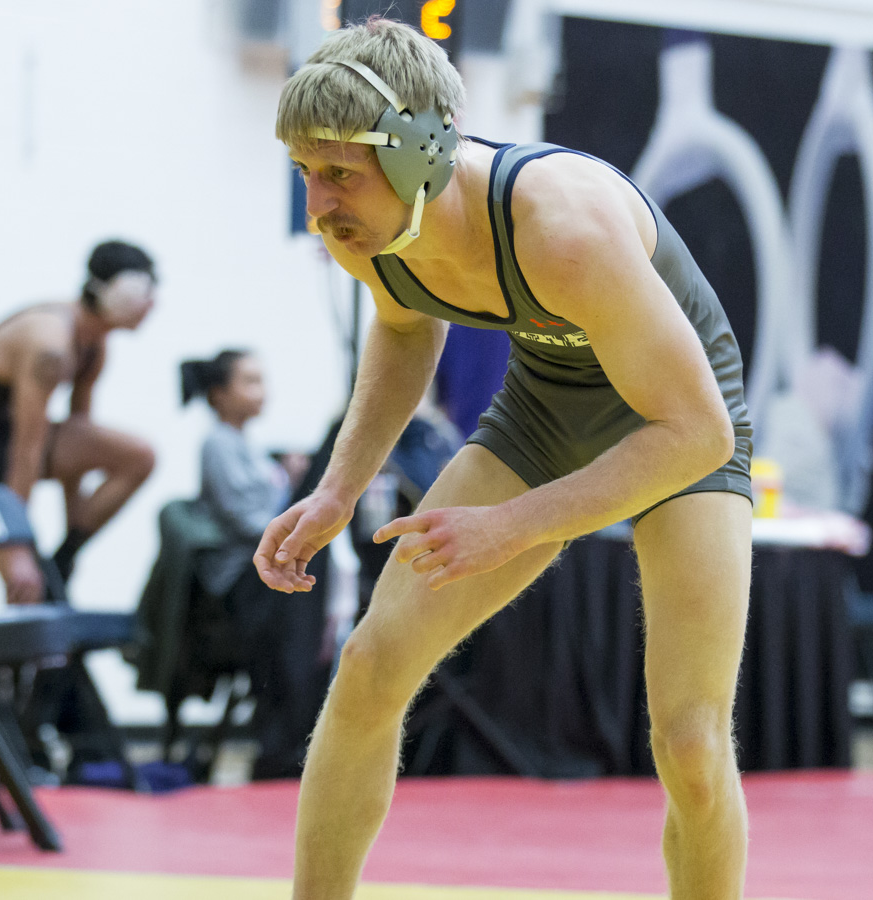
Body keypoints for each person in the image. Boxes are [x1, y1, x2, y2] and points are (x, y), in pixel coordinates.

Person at [260, 20, 752, 899]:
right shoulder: (373, 230)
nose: (319, 207)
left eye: (338, 173)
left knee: (690, 745)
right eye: (306, 173)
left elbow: (699, 434)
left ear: (420, 154)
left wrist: (515, 525)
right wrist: (340, 489)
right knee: (372, 666)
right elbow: (407, 328)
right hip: (546, 410)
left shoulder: (562, 227)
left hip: (678, 419)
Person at [0, 240, 158, 597]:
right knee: (26, 584)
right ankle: (32, 605)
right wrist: (19, 543)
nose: (152, 304)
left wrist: (71, 536)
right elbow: (25, 449)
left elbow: (80, 440)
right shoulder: (51, 344)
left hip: (24, 444)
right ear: (121, 293)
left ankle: (65, 556)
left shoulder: (94, 344)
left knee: (140, 456)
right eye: (146, 290)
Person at [182, 350, 320, 779]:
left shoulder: (246, 445)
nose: (262, 392)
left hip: (255, 572)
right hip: (240, 581)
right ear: (219, 393)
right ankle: (283, 740)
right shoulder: (218, 444)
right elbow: (248, 522)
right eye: (250, 382)